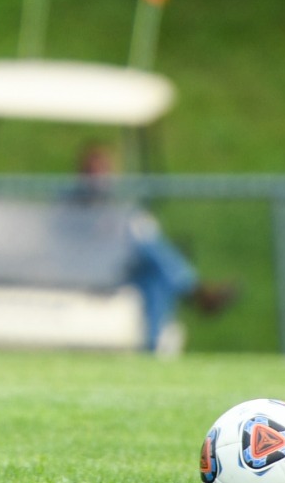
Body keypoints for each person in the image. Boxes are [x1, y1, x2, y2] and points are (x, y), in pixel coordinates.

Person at [64, 145, 237, 354]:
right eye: (93, 171)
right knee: (145, 245)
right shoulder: (69, 202)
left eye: (103, 170)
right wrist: (94, 231)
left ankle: (151, 351)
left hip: (120, 270)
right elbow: (63, 241)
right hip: (87, 269)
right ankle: (195, 291)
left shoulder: (116, 205)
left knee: (155, 278)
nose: (99, 177)